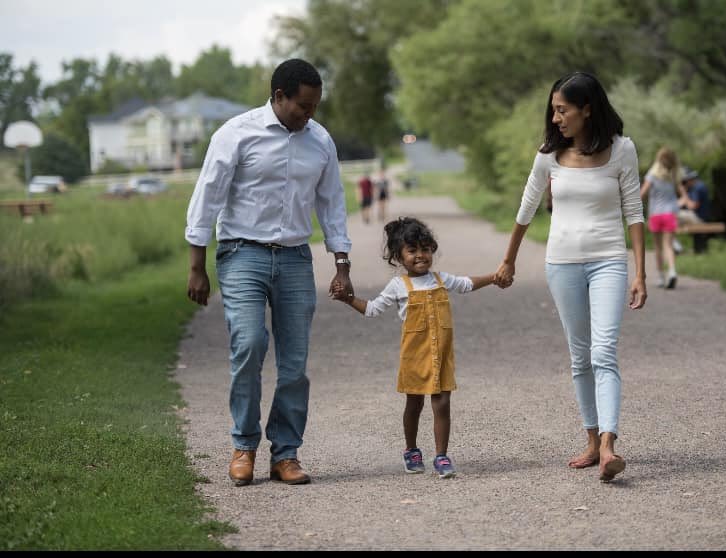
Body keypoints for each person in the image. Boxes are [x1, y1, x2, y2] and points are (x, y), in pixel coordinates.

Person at [185, 58, 354, 487]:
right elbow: (207, 198)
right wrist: (197, 266)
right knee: (250, 343)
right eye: (302, 106)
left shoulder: (320, 141)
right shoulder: (236, 134)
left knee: (294, 363)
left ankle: (286, 454)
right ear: (278, 97)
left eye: (315, 107)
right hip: (242, 253)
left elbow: (332, 204)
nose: (309, 115)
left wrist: (342, 263)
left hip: (296, 257)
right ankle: (244, 446)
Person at [493, 71, 647, 483]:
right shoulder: (548, 155)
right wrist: (507, 261)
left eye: (563, 110)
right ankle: (593, 440)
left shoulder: (622, 151)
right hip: (561, 264)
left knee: (603, 353)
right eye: (554, 110)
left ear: (587, 109)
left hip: (609, 261)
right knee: (580, 358)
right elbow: (526, 209)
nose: (556, 117)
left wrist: (641, 273)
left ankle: (610, 445)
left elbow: (634, 210)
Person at [332, 217, 496, 479]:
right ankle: (411, 450)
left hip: (442, 356)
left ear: (432, 250)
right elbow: (373, 309)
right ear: (398, 256)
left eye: (425, 249)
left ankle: (441, 456)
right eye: (412, 250)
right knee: (414, 404)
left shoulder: (441, 280)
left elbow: (467, 284)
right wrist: (348, 299)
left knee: (442, 403)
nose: (420, 256)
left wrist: (494, 277)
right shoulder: (399, 286)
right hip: (415, 358)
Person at [640, 147, 681, 289]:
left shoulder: (652, 174)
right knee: (668, 245)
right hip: (670, 213)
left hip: (655, 214)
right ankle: (672, 271)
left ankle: (660, 277)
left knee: (658, 247)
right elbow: (679, 192)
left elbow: (643, 193)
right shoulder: (673, 175)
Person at [677, 168, 713, 253]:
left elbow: (693, 206)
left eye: (684, 181)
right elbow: (680, 203)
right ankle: (675, 246)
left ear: (690, 179)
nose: (684, 184)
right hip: (695, 217)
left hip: (700, 219)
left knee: (671, 216)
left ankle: (676, 247)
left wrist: (684, 194)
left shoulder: (698, 187)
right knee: (669, 215)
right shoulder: (693, 188)